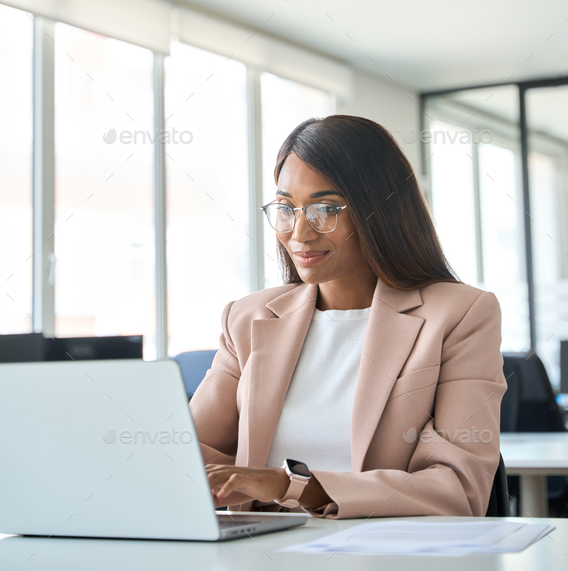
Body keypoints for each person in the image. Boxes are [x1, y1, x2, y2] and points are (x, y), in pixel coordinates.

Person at [190, 115, 506, 518]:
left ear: (380, 210)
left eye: (324, 209)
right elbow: (190, 452)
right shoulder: (246, 319)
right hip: (257, 552)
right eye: (286, 208)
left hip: (382, 554)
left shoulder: (459, 315)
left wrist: (296, 487)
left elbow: (457, 489)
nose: (300, 233)